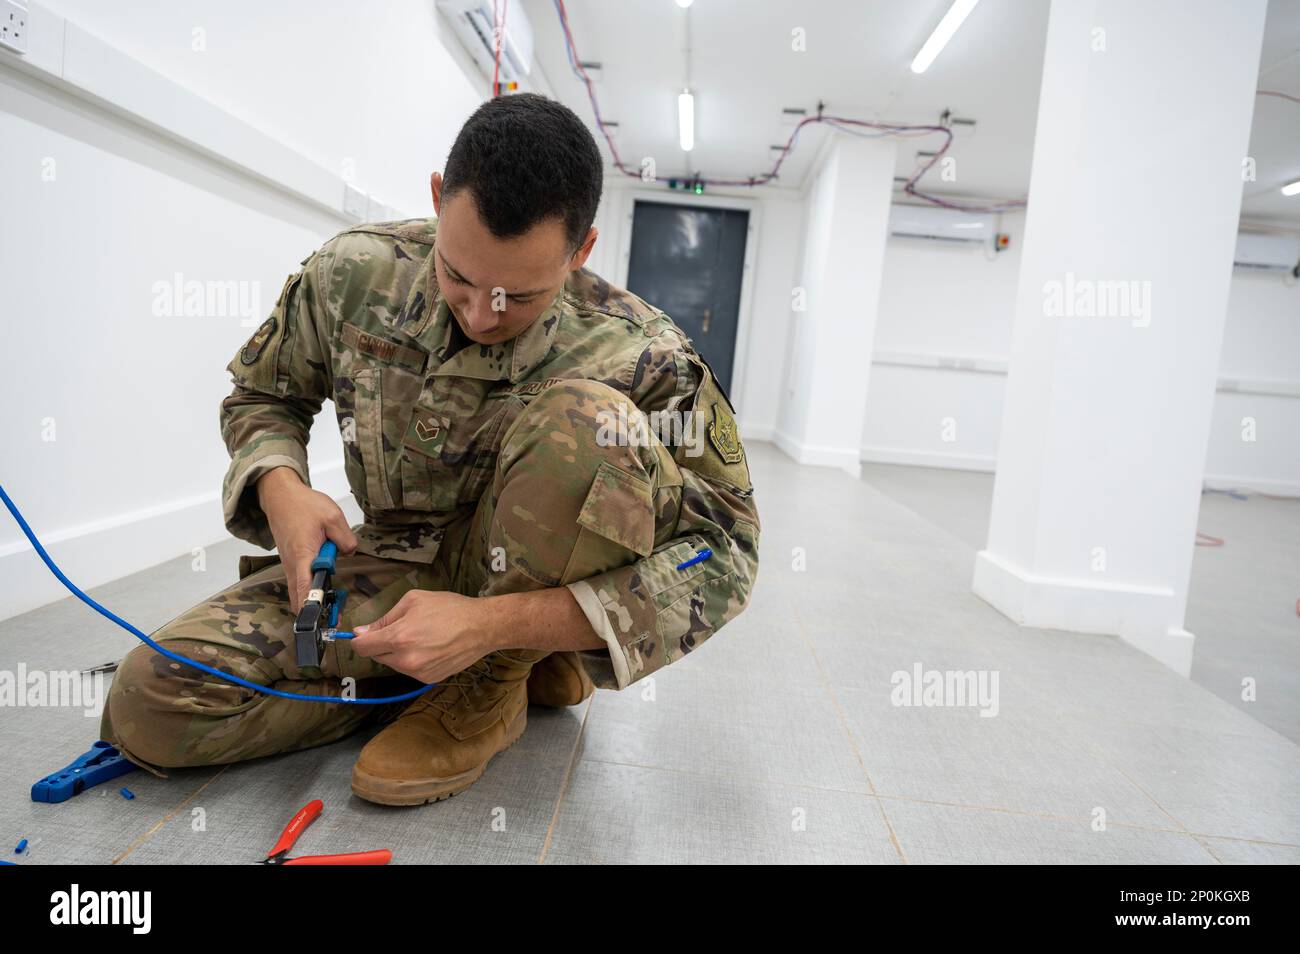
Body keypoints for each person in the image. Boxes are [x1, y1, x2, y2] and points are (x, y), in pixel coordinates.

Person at [100, 93, 760, 806]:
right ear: (439, 199)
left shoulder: (645, 355)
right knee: (151, 702)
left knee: (587, 421)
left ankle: (497, 677)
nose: (482, 316)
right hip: (391, 569)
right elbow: (264, 394)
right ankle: (458, 673)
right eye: (459, 278)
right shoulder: (355, 274)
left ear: (582, 250)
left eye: (520, 296)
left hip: (523, 592)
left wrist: (494, 627)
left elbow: (723, 555)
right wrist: (279, 484)